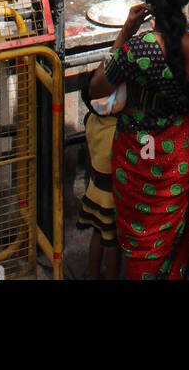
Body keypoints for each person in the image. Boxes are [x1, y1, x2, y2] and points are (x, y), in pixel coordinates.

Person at [89, 0, 189, 280]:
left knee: (141, 242)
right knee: (172, 237)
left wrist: (125, 32)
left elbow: (96, 88)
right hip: (176, 156)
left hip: (137, 156)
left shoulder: (138, 48)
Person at [76, 76, 121, 280]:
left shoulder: (90, 120)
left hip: (95, 191)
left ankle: (94, 275)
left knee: (97, 234)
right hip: (111, 195)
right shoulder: (118, 128)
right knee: (113, 245)